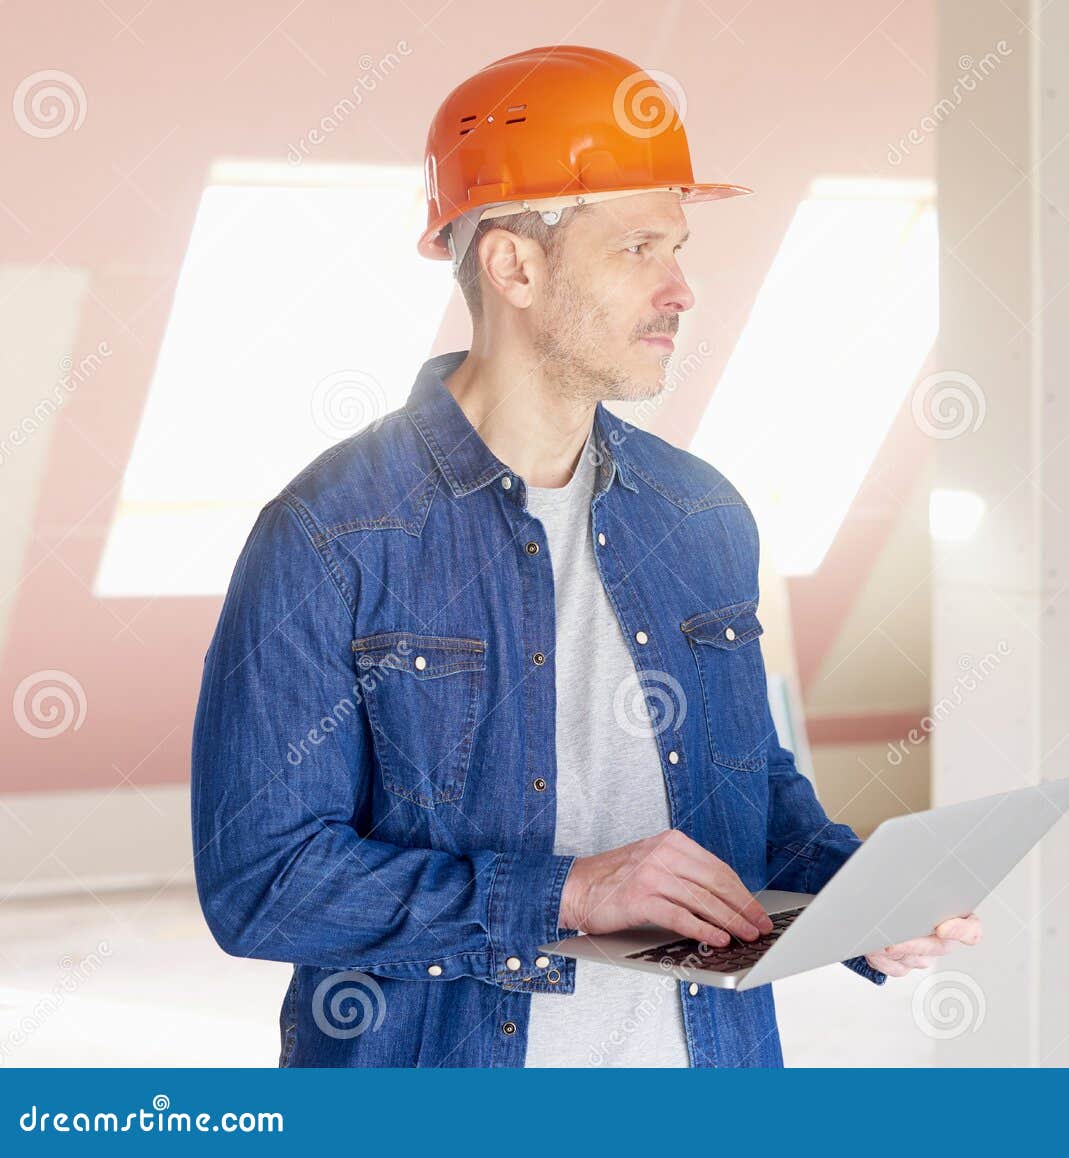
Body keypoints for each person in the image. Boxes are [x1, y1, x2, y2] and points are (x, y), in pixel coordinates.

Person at [190, 44, 980, 1068]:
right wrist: (564, 892)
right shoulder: (332, 533)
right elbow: (263, 883)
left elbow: (752, 798)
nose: (681, 289)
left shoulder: (700, 514)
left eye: (677, 246)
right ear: (513, 266)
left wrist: (859, 900)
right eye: (639, 247)